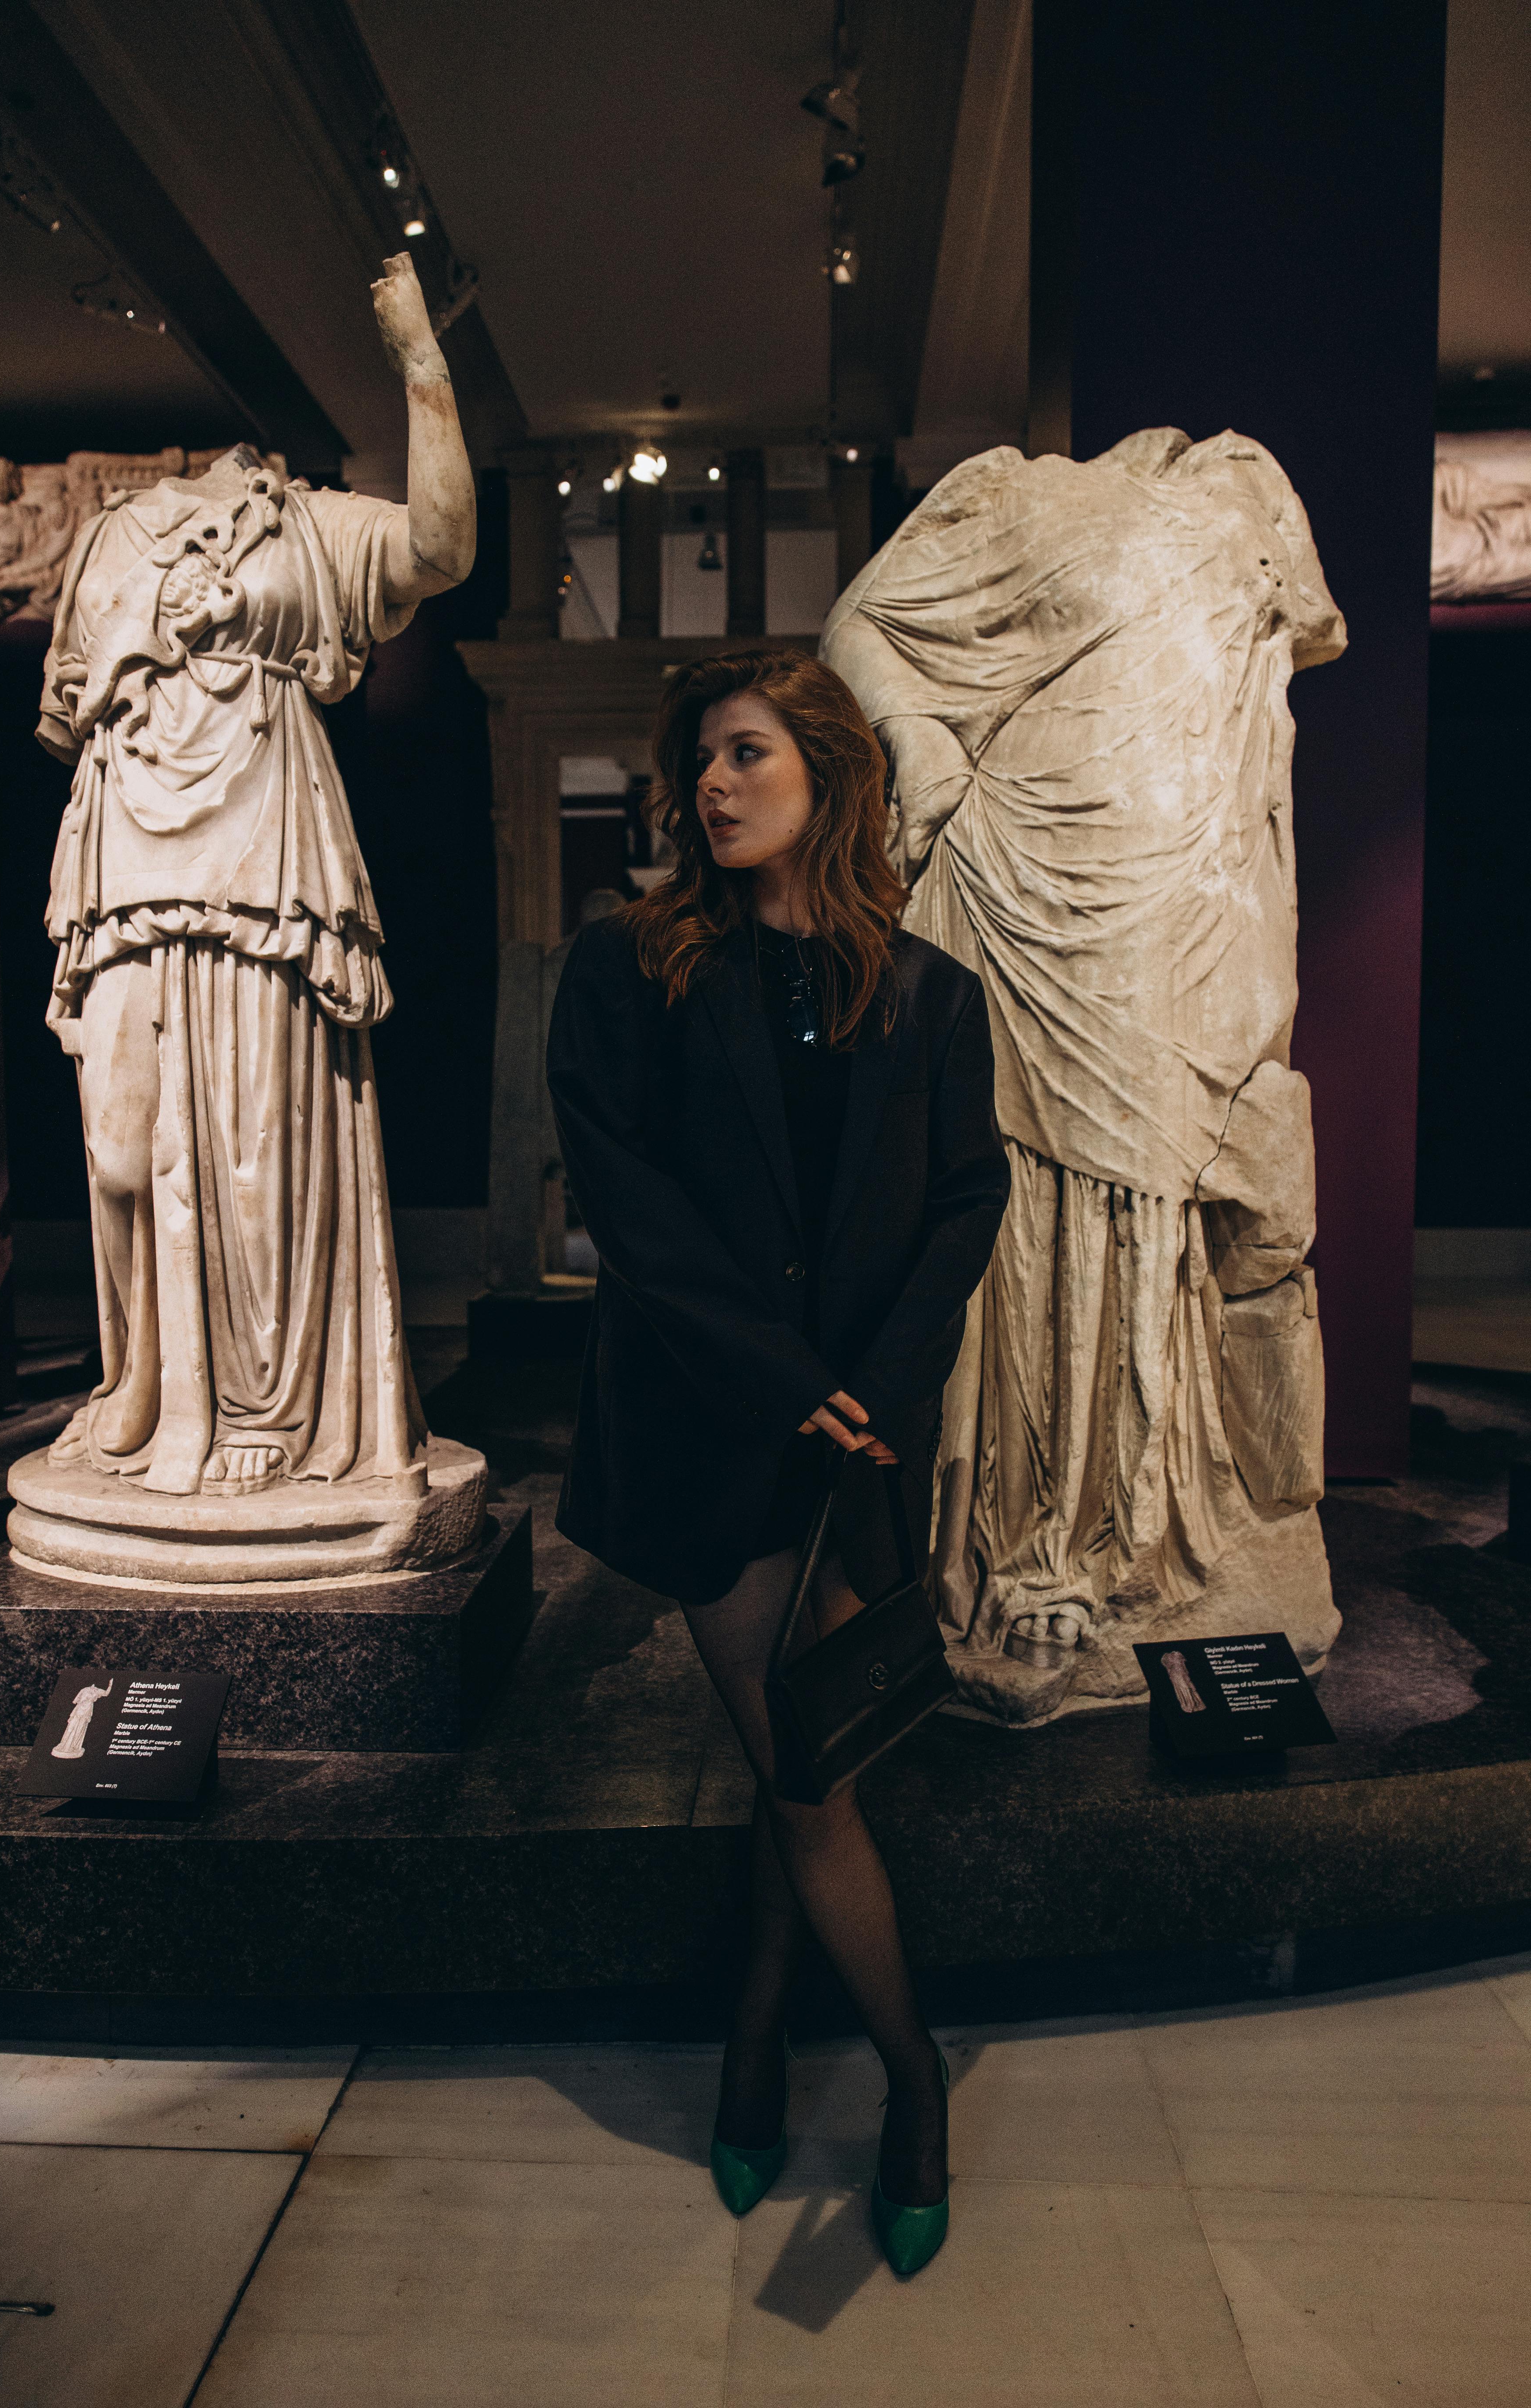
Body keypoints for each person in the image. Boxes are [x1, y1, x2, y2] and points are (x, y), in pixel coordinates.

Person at [546, 649, 1008, 2276]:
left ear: (830, 770)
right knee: (806, 1776)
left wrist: (875, 1385)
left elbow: (968, 1200)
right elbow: (631, 1208)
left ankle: (755, 2035)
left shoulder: (932, 994)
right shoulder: (632, 967)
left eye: (745, 753)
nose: (712, 786)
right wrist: (789, 1381)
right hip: (713, 1424)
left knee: (798, 1763)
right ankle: (915, 2082)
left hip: (865, 1436)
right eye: (699, 763)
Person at [36, 253, 474, 1498]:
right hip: (126, 844)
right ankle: (146, 1387)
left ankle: (263, 1408)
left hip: (262, 847)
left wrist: (422, 363)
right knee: (122, 1153)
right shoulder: (107, 532)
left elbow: (441, 547)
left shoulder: (314, 523)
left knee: (253, 1137)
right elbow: (68, 712)